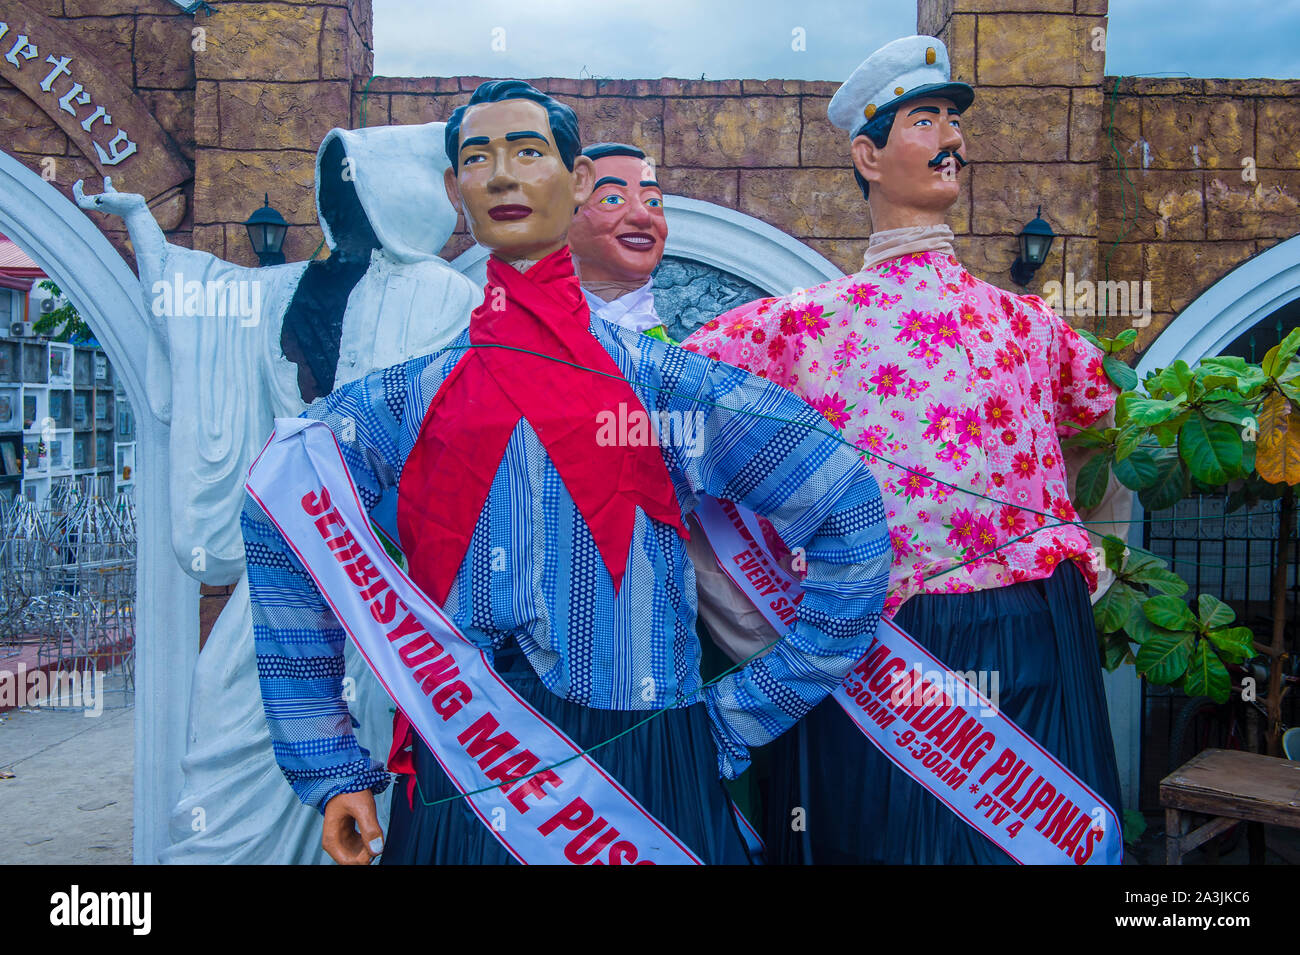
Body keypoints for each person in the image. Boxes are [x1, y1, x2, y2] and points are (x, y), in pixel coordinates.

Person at [241, 80, 892, 865]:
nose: (504, 175)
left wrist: (746, 710)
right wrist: (326, 759)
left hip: (643, 764)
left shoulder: (666, 387)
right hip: (465, 766)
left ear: (576, 179)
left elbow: (848, 510)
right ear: (456, 191)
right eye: (478, 159)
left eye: (528, 152)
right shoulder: (402, 401)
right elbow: (278, 509)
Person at [682, 36, 1124, 864]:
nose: (953, 139)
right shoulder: (787, 330)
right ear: (867, 154)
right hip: (884, 650)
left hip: (1040, 632)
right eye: (926, 120)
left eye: (955, 122)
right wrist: (752, 617)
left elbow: (1102, 433)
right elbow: (670, 436)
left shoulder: (1034, 327)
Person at [73, 122, 479, 864]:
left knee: (375, 736)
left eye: (358, 182)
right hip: (288, 555)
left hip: (382, 571)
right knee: (226, 710)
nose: (344, 201)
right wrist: (140, 226)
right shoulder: (289, 290)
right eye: (336, 186)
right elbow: (197, 307)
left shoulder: (446, 295)